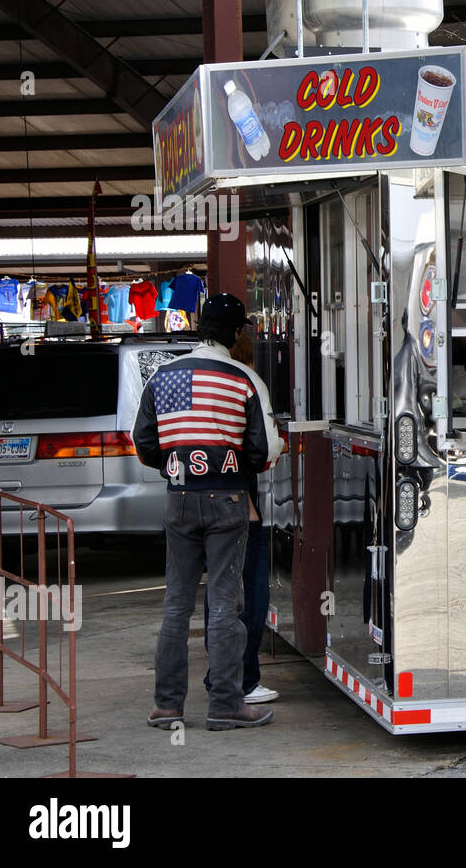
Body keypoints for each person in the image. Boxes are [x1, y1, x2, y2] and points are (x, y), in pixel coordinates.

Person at [133, 294, 285, 731]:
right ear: (236, 333)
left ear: (200, 328)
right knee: (223, 603)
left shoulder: (163, 376)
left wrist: (177, 464)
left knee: (175, 604)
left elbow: (143, 442)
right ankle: (225, 704)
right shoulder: (243, 378)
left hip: (178, 499)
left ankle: (167, 706)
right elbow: (264, 450)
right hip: (229, 502)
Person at [202, 329, 277, 705]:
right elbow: (265, 449)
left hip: (196, 502)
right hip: (238, 505)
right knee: (249, 592)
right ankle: (241, 681)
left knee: (215, 592)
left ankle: (217, 674)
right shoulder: (244, 384)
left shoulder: (195, 383)